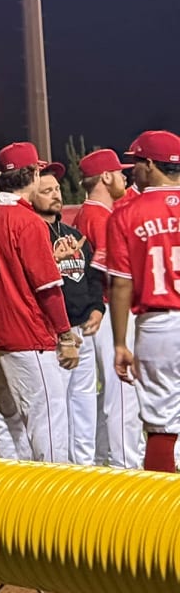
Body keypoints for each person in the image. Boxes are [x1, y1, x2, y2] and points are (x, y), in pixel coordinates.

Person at [0, 142, 82, 464]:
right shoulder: (29, 222)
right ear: (33, 174)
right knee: (47, 416)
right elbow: (47, 288)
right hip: (25, 333)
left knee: (9, 418)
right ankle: (52, 501)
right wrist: (64, 334)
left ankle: (8, 496)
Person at [107, 130, 180, 473]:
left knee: (162, 424)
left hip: (159, 325)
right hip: (161, 321)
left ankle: (160, 518)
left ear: (150, 164)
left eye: (136, 161)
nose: (133, 169)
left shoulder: (126, 212)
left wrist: (120, 342)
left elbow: (121, 284)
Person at [71, 148, 146, 468]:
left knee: (111, 395)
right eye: (119, 172)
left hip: (100, 311)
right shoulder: (98, 217)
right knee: (122, 394)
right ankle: (125, 464)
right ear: (104, 177)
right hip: (107, 310)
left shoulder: (90, 214)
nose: (124, 176)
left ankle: (105, 457)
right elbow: (114, 273)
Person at [37, 168, 104, 464]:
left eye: (57, 189)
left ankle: (85, 467)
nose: (56, 194)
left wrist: (96, 308)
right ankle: (61, 471)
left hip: (83, 329)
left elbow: (91, 278)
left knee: (84, 402)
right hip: (53, 334)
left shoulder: (74, 236)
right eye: (47, 190)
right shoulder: (33, 237)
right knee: (57, 407)